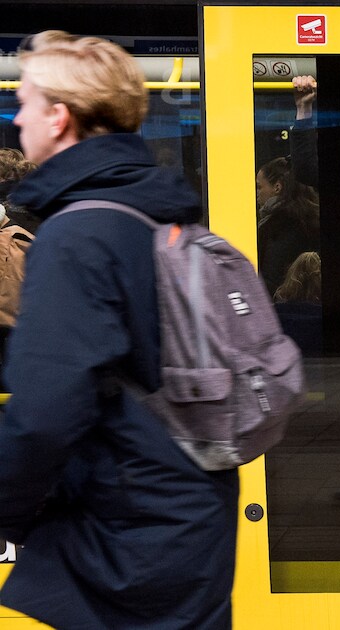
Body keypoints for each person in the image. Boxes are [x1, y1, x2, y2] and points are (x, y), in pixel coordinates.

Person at [0, 30, 238, 628]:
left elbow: (44, 408)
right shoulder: (151, 209)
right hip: (190, 503)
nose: (17, 116)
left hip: (128, 526)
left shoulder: (76, 233)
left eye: (24, 101)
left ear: (58, 117)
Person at [255, 156, 320, 296]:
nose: (256, 194)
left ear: (277, 187)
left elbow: (271, 278)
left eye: (259, 187)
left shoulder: (278, 226)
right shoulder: (310, 219)